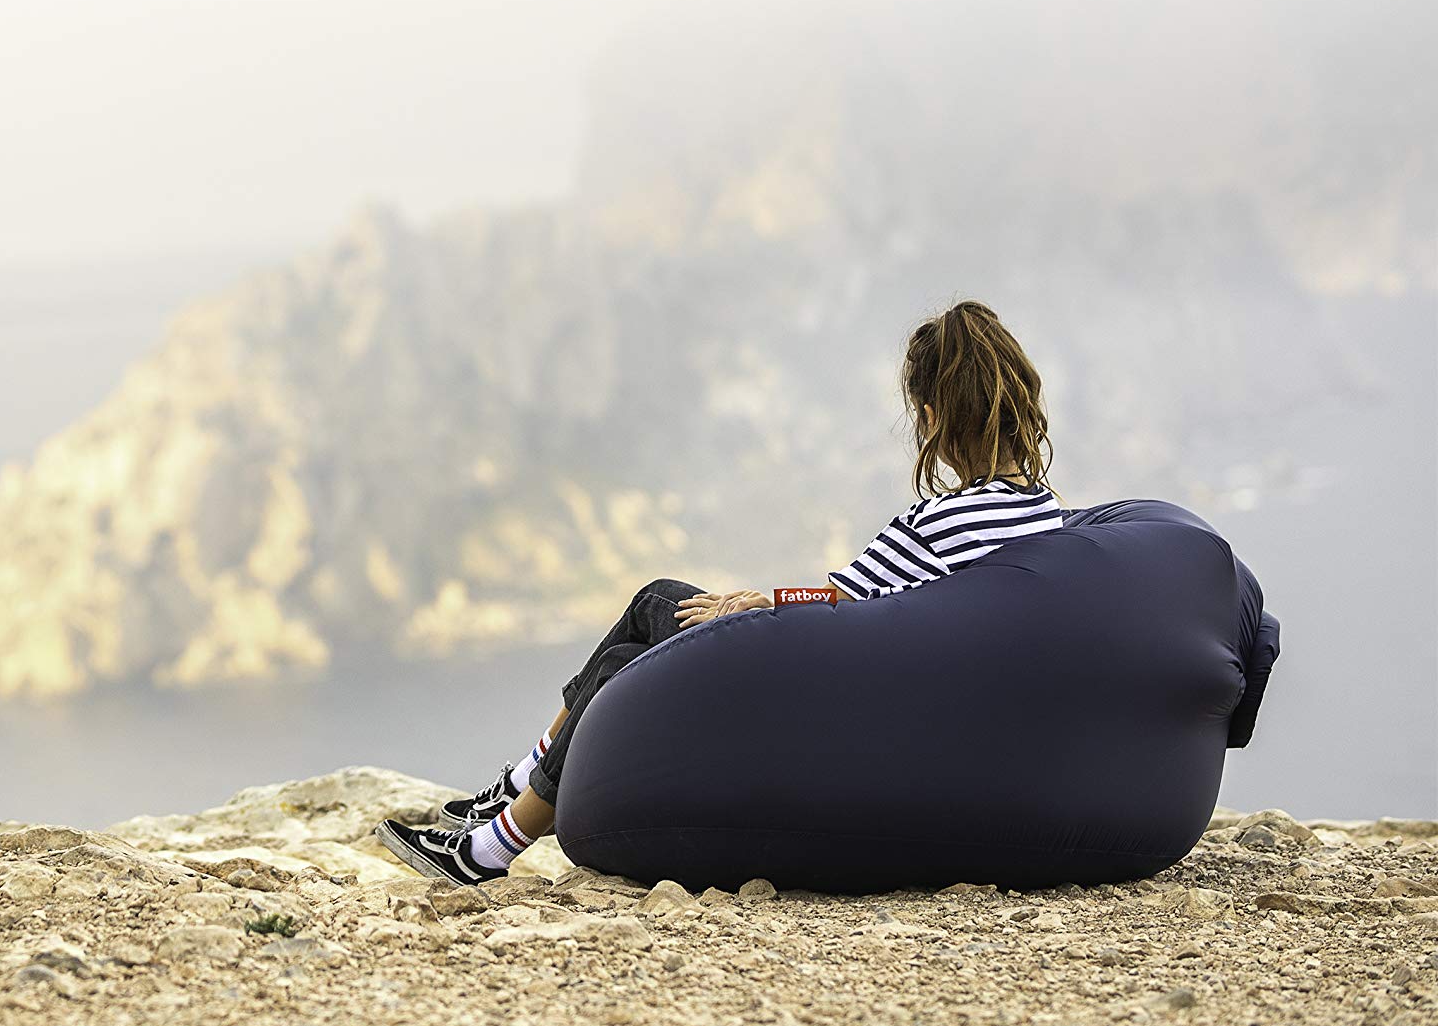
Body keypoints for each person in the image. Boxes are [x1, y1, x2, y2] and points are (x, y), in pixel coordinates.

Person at [377, 299, 1063, 885]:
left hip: (830, 699)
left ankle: (488, 848)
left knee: (629, 655)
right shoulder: (1041, 511)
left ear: (933, 414)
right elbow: (871, 603)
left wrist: (762, 603)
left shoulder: (940, 519)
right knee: (658, 600)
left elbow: (840, 600)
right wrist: (761, 600)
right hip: (886, 695)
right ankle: (511, 799)